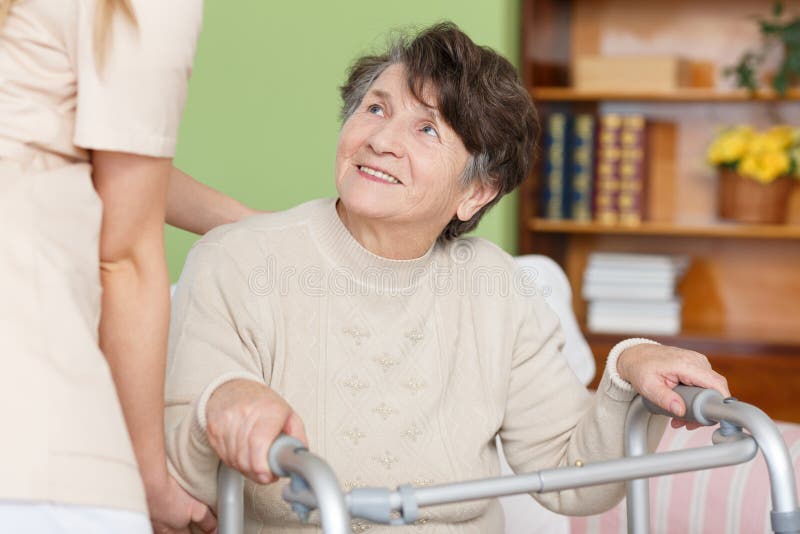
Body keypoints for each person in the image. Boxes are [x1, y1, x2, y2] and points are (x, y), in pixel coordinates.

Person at [164, 22, 729, 532]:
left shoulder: (498, 288)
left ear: (476, 191)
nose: (381, 141)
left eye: (427, 130)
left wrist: (629, 369)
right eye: (376, 109)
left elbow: (573, 475)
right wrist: (224, 404)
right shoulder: (235, 260)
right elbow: (184, 475)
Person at [0, 1, 255, 533]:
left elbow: (73, 147)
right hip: (37, 441)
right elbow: (126, 257)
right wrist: (151, 481)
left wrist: (251, 227)